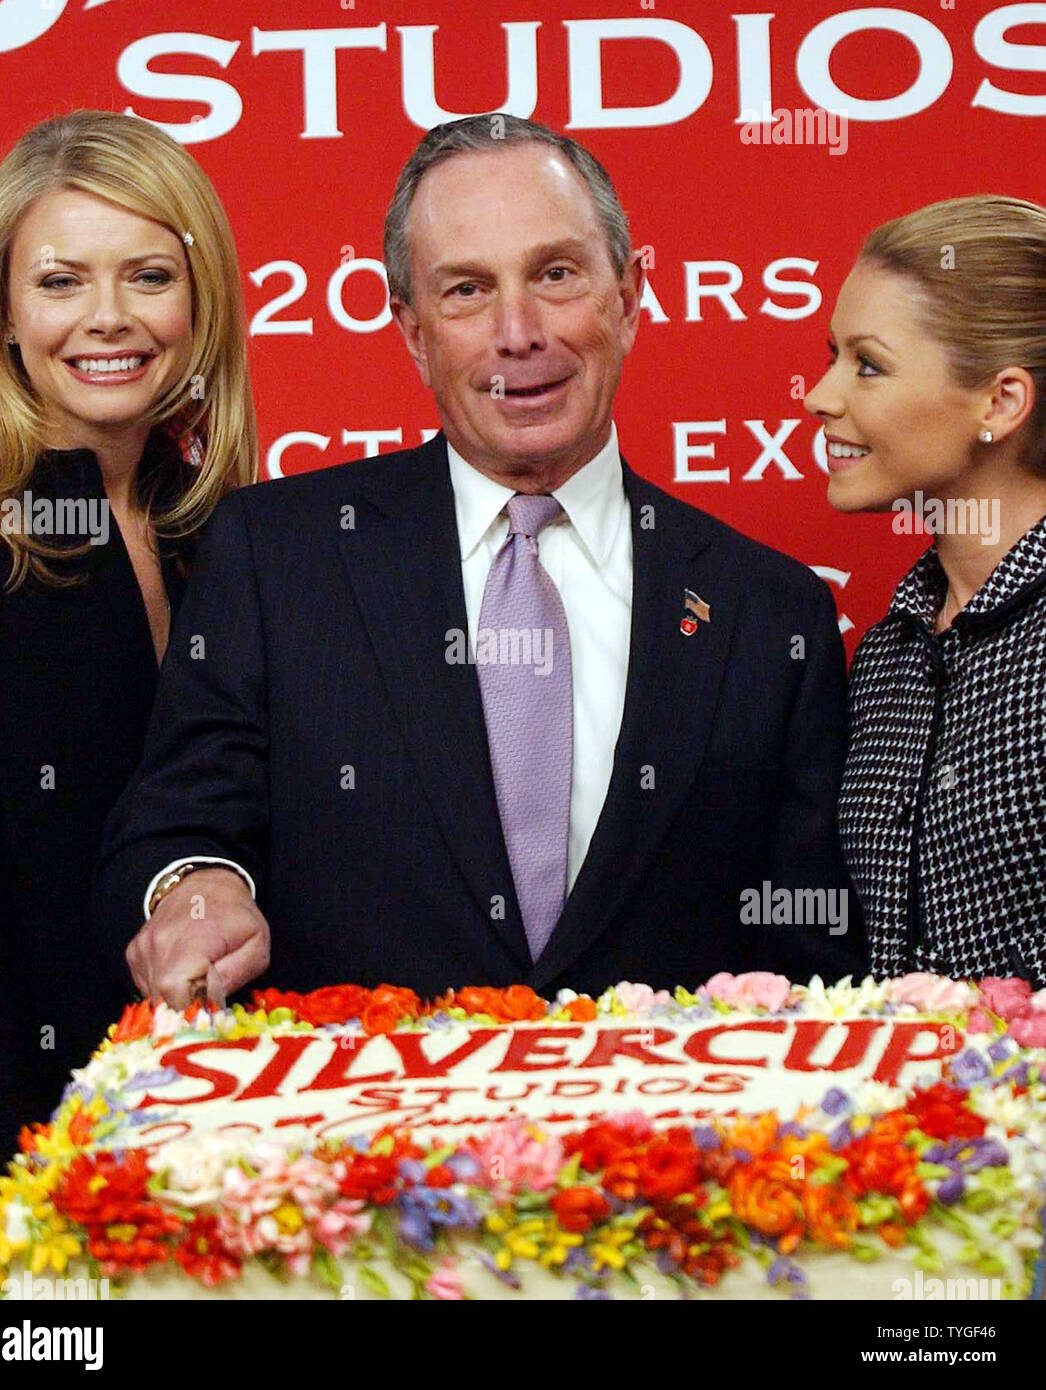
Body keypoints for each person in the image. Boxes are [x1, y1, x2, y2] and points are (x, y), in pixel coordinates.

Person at [94, 113, 861, 1020]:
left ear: (630, 293)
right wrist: (196, 889)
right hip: (354, 1142)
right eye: (465, 291)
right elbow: (180, 819)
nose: (518, 333)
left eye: (556, 274)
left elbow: (814, 963)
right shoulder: (274, 555)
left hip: (668, 1153)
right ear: (414, 332)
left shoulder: (770, 610)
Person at [0, 109, 258, 1286]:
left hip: (212, 1154)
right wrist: (6, 1196)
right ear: (5, 314)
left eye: (147, 275)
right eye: (62, 280)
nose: (109, 318)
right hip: (14, 1178)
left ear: (202, 301)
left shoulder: (234, 534)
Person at [805, 195, 1046, 984]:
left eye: (867, 365)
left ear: (1000, 402)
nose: (820, 396)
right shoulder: (887, 653)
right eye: (833, 355)